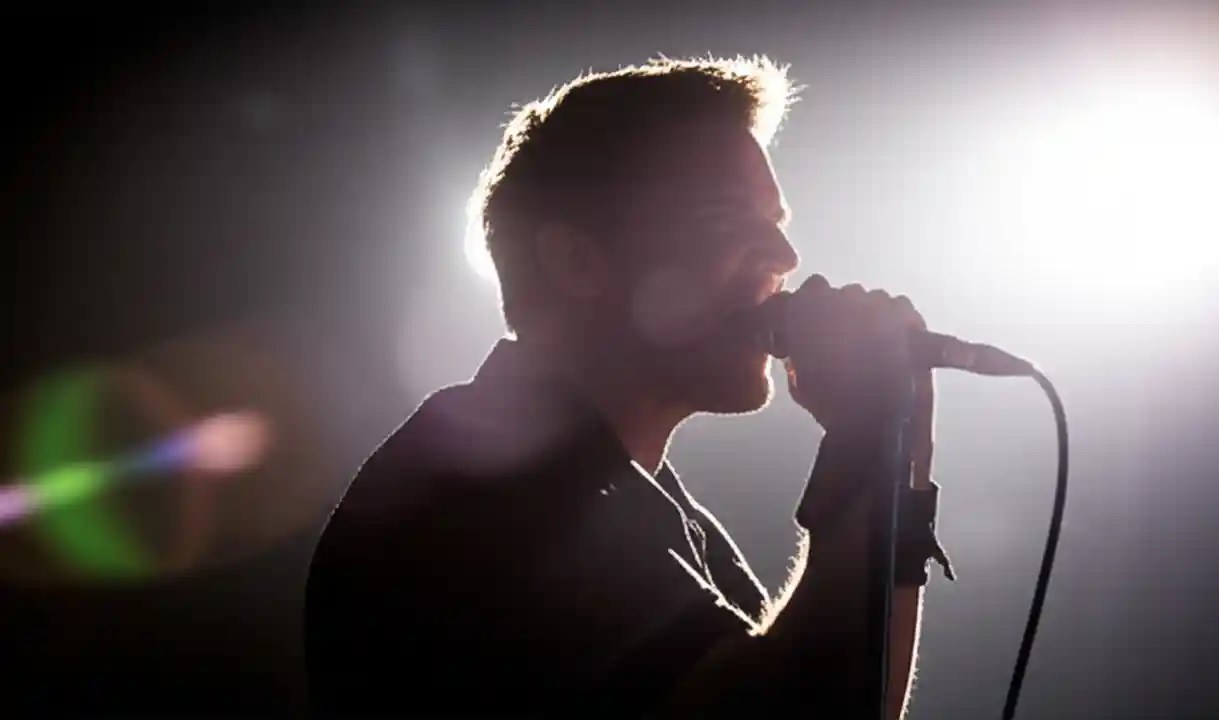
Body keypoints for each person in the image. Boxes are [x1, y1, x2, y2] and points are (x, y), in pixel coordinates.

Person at [304, 55, 952, 718]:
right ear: (577, 262)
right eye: (727, 221)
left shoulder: (636, 502)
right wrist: (872, 434)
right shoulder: (482, 490)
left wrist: (896, 442)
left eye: (777, 225)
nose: (784, 259)